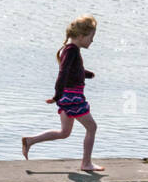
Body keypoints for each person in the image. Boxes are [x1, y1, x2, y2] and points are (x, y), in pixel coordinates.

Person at [21, 15, 103, 172]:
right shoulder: (71, 50)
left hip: (68, 97)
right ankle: (86, 163)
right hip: (72, 97)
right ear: (80, 36)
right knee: (92, 127)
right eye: (91, 37)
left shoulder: (71, 50)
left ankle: (30, 141)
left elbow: (72, 71)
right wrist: (57, 96)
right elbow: (63, 72)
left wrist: (86, 74)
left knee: (64, 132)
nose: (92, 41)